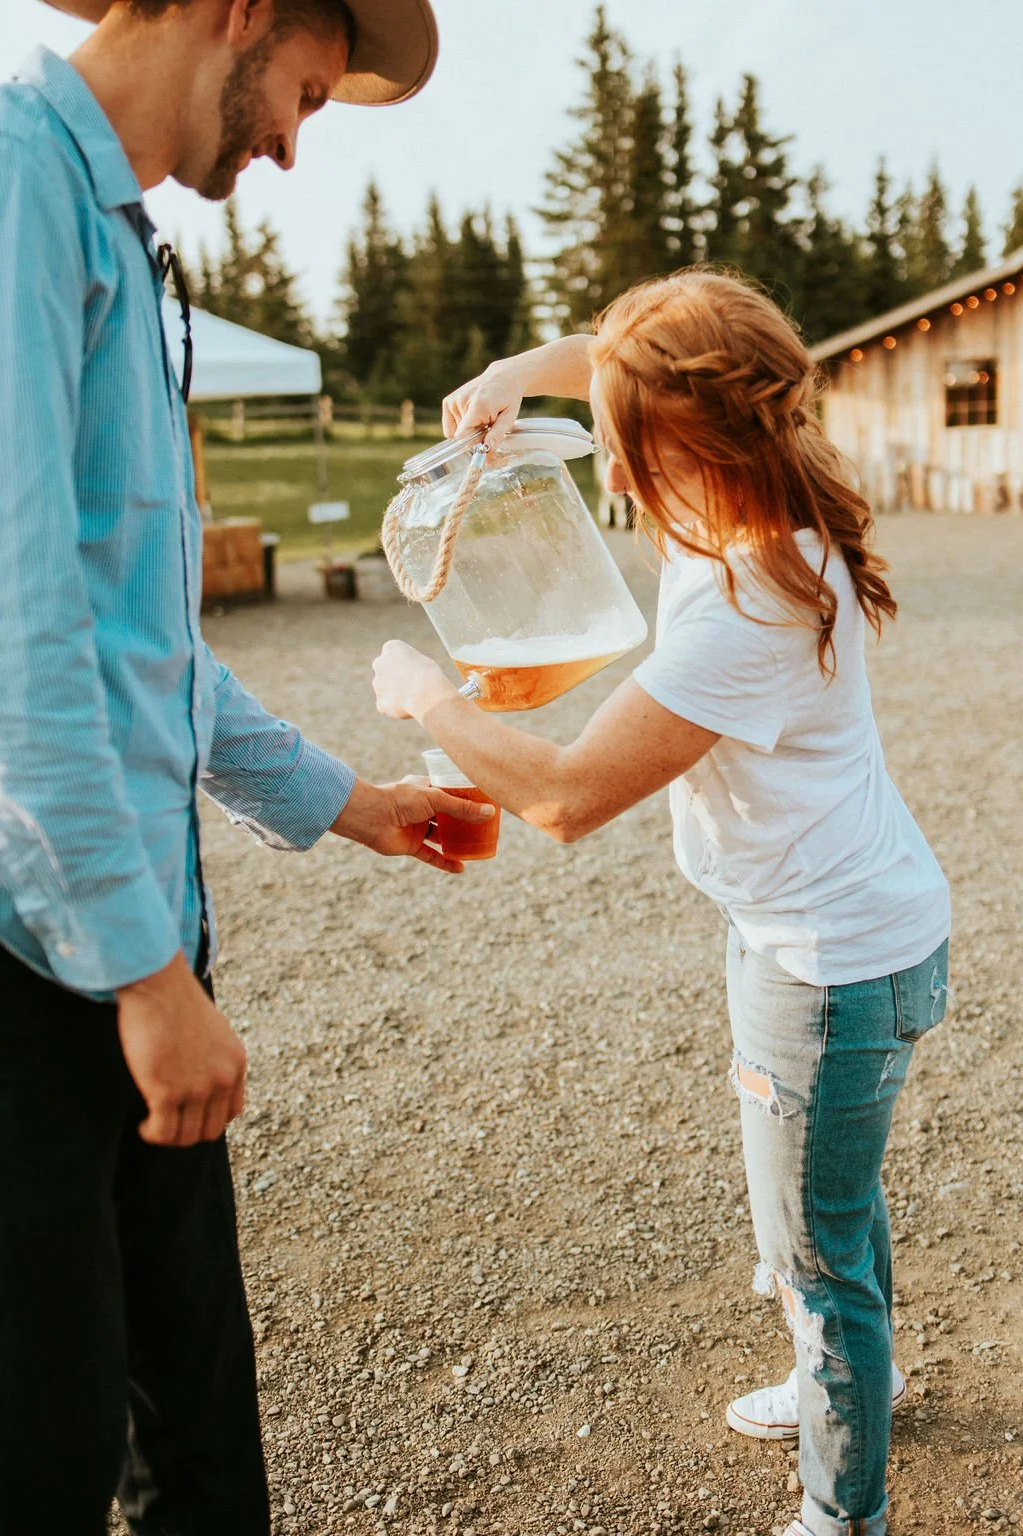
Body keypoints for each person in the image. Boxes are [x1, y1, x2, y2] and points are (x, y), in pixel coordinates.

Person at [0, 2, 498, 1532]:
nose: (292, 140)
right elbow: (19, 641)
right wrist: (147, 980)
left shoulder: (129, 242)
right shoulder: (16, 192)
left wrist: (346, 799)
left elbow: (137, 629)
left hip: (148, 949)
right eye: (304, 91)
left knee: (206, 1440)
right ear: (234, 8)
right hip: (40, 974)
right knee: (49, 1456)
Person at [372, 268, 952, 1536]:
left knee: (813, 1253)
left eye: (627, 443)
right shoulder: (772, 515)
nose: (616, 474)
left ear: (676, 439)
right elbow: (630, 358)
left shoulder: (749, 600)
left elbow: (568, 798)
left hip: (828, 967)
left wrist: (428, 697)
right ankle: (853, 1378)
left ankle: (841, 1511)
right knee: (830, 1215)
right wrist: (520, 376)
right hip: (841, 932)